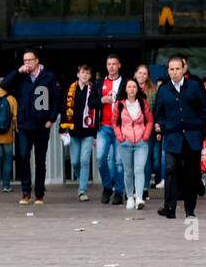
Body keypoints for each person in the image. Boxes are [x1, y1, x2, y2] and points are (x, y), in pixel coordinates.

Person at [0, 50, 61, 205]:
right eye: (24, 60)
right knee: (23, 157)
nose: (27, 63)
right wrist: (17, 71)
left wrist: (51, 119)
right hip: (24, 124)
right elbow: (4, 85)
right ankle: (26, 192)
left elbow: (56, 99)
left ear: (37, 61)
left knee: (40, 161)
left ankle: (39, 194)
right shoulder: (21, 77)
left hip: (42, 125)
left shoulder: (48, 77)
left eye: (29, 60)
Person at [153, 55, 206, 221]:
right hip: (172, 137)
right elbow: (159, 113)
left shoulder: (195, 86)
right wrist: (161, 126)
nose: (174, 72)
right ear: (168, 71)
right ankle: (169, 208)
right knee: (170, 169)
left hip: (192, 137)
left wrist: (200, 126)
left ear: (183, 69)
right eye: (171, 69)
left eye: (177, 68)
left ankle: (189, 210)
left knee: (191, 174)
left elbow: (205, 108)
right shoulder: (163, 90)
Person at [60, 65, 101, 202]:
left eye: (87, 73)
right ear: (78, 74)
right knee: (75, 161)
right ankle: (82, 179)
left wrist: (95, 134)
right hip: (73, 131)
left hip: (88, 131)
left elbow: (96, 110)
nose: (84, 75)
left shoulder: (94, 89)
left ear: (90, 76)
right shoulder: (70, 89)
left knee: (84, 160)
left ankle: (82, 190)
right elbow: (64, 108)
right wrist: (62, 129)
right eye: (82, 72)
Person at [113, 78, 152, 211]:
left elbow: (150, 121)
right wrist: (120, 137)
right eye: (129, 87)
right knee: (128, 172)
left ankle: (139, 197)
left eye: (134, 87)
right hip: (125, 142)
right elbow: (115, 123)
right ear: (125, 89)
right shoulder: (119, 104)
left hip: (141, 143)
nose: (131, 89)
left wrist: (145, 136)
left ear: (137, 89)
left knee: (139, 169)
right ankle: (130, 197)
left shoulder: (143, 103)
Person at [95, 55, 126, 206]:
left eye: (114, 64)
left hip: (120, 127)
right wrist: (101, 100)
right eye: (109, 64)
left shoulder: (126, 82)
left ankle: (119, 192)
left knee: (119, 162)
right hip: (104, 127)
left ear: (119, 65)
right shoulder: (99, 82)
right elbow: (91, 102)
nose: (111, 67)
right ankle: (107, 187)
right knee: (101, 159)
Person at [136, 64, 158, 197]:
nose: (142, 76)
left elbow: (156, 110)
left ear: (148, 76)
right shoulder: (129, 87)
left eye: (144, 73)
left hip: (147, 130)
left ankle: (144, 187)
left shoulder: (153, 90)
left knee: (146, 159)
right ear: (135, 74)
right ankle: (135, 186)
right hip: (131, 130)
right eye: (140, 73)